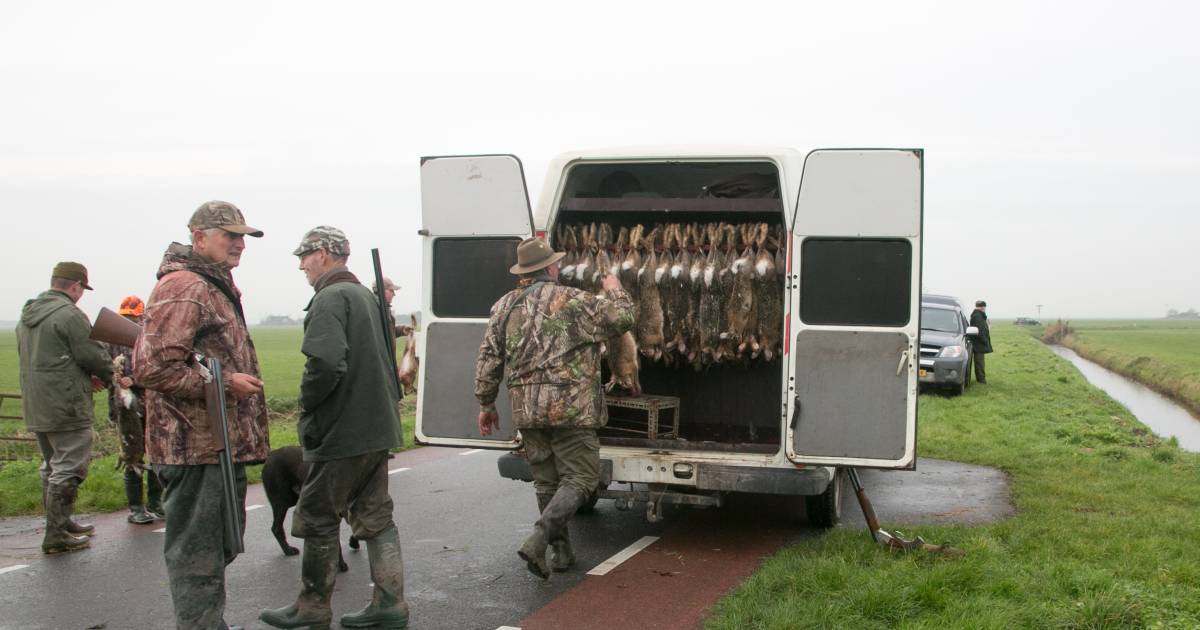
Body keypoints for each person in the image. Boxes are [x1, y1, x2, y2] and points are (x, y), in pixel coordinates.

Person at [260, 226, 408, 630]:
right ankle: (390, 603)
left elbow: (325, 364)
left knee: (317, 516)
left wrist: (307, 407)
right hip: (379, 428)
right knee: (376, 516)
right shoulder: (367, 298)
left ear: (323, 254)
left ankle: (312, 606)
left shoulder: (328, 298)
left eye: (304, 257)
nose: (302, 266)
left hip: (342, 432)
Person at [133, 201, 268, 630]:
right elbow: (153, 367)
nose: (240, 244)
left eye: (242, 236)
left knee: (216, 549)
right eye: (230, 236)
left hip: (214, 445)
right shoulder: (185, 286)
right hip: (193, 447)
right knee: (197, 557)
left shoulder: (211, 284)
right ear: (199, 237)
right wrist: (226, 383)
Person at [474, 237, 634, 579]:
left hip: (527, 411)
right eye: (556, 263)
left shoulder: (502, 307)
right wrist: (614, 288)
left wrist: (486, 402)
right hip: (570, 408)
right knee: (581, 477)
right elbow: (623, 319)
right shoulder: (573, 300)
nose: (558, 267)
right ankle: (539, 539)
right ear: (548, 268)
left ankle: (561, 552)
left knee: (546, 481)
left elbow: (488, 359)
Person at [16, 262, 114, 554]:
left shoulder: (28, 315)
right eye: (82, 288)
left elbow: (51, 359)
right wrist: (113, 377)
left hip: (37, 403)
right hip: (66, 404)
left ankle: (63, 522)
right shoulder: (69, 314)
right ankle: (56, 535)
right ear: (76, 286)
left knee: (51, 465)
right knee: (68, 467)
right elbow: (92, 354)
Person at [103, 295, 165, 524]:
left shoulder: (149, 337)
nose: (131, 320)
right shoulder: (107, 338)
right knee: (132, 458)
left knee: (157, 455)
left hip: (151, 404)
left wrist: (135, 379)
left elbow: (158, 371)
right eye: (127, 316)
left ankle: (156, 503)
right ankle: (136, 508)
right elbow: (101, 367)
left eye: (134, 316)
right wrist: (114, 378)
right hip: (125, 408)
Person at [970, 300, 992, 384]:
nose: (985, 309)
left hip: (977, 342)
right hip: (978, 343)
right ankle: (981, 380)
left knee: (979, 362)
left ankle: (980, 379)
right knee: (979, 363)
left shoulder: (977, 315)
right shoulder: (978, 316)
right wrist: (985, 341)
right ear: (983, 307)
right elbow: (980, 331)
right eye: (984, 307)